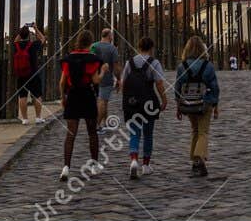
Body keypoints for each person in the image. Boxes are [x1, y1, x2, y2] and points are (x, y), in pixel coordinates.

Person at [121, 36, 167, 179]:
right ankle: (146, 164)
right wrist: (164, 99)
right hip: (149, 102)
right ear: (151, 48)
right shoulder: (154, 63)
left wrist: (127, 98)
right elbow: (159, 83)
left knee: (134, 133)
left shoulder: (130, 63)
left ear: (139, 47)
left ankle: (134, 159)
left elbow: (123, 82)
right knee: (148, 134)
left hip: (132, 102)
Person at [59, 30, 103, 180]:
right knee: (92, 132)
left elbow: (62, 82)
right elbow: (96, 80)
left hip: (72, 95)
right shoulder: (92, 59)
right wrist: (103, 71)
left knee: (70, 134)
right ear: (90, 42)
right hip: (87, 95)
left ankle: (66, 167)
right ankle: (94, 164)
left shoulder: (68, 59)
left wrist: (63, 97)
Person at [174, 36, 220, 177]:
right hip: (204, 103)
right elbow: (215, 88)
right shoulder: (208, 66)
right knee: (203, 132)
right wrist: (215, 105)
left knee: (194, 131)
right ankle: (199, 159)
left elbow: (177, 88)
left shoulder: (182, 67)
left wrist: (178, 105)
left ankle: (195, 162)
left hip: (188, 104)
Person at [11, 25, 45, 123]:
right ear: (29, 35)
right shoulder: (33, 45)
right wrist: (35, 28)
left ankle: (25, 119)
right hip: (33, 74)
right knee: (37, 95)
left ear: (20, 35)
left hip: (21, 75)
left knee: (22, 96)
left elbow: (16, 40)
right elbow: (43, 38)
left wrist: (23, 30)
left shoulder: (16, 46)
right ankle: (38, 117)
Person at [91, 28, 121, 130]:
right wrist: (119, 79)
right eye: (112, 35)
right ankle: (97, 125)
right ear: (109, 36)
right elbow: (116, 66)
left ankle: (106, 122)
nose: (112, 37)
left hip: (93, 77)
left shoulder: (94, 46)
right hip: (106, 78)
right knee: (103, 101)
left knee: (104, 100)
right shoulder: (112, 49)